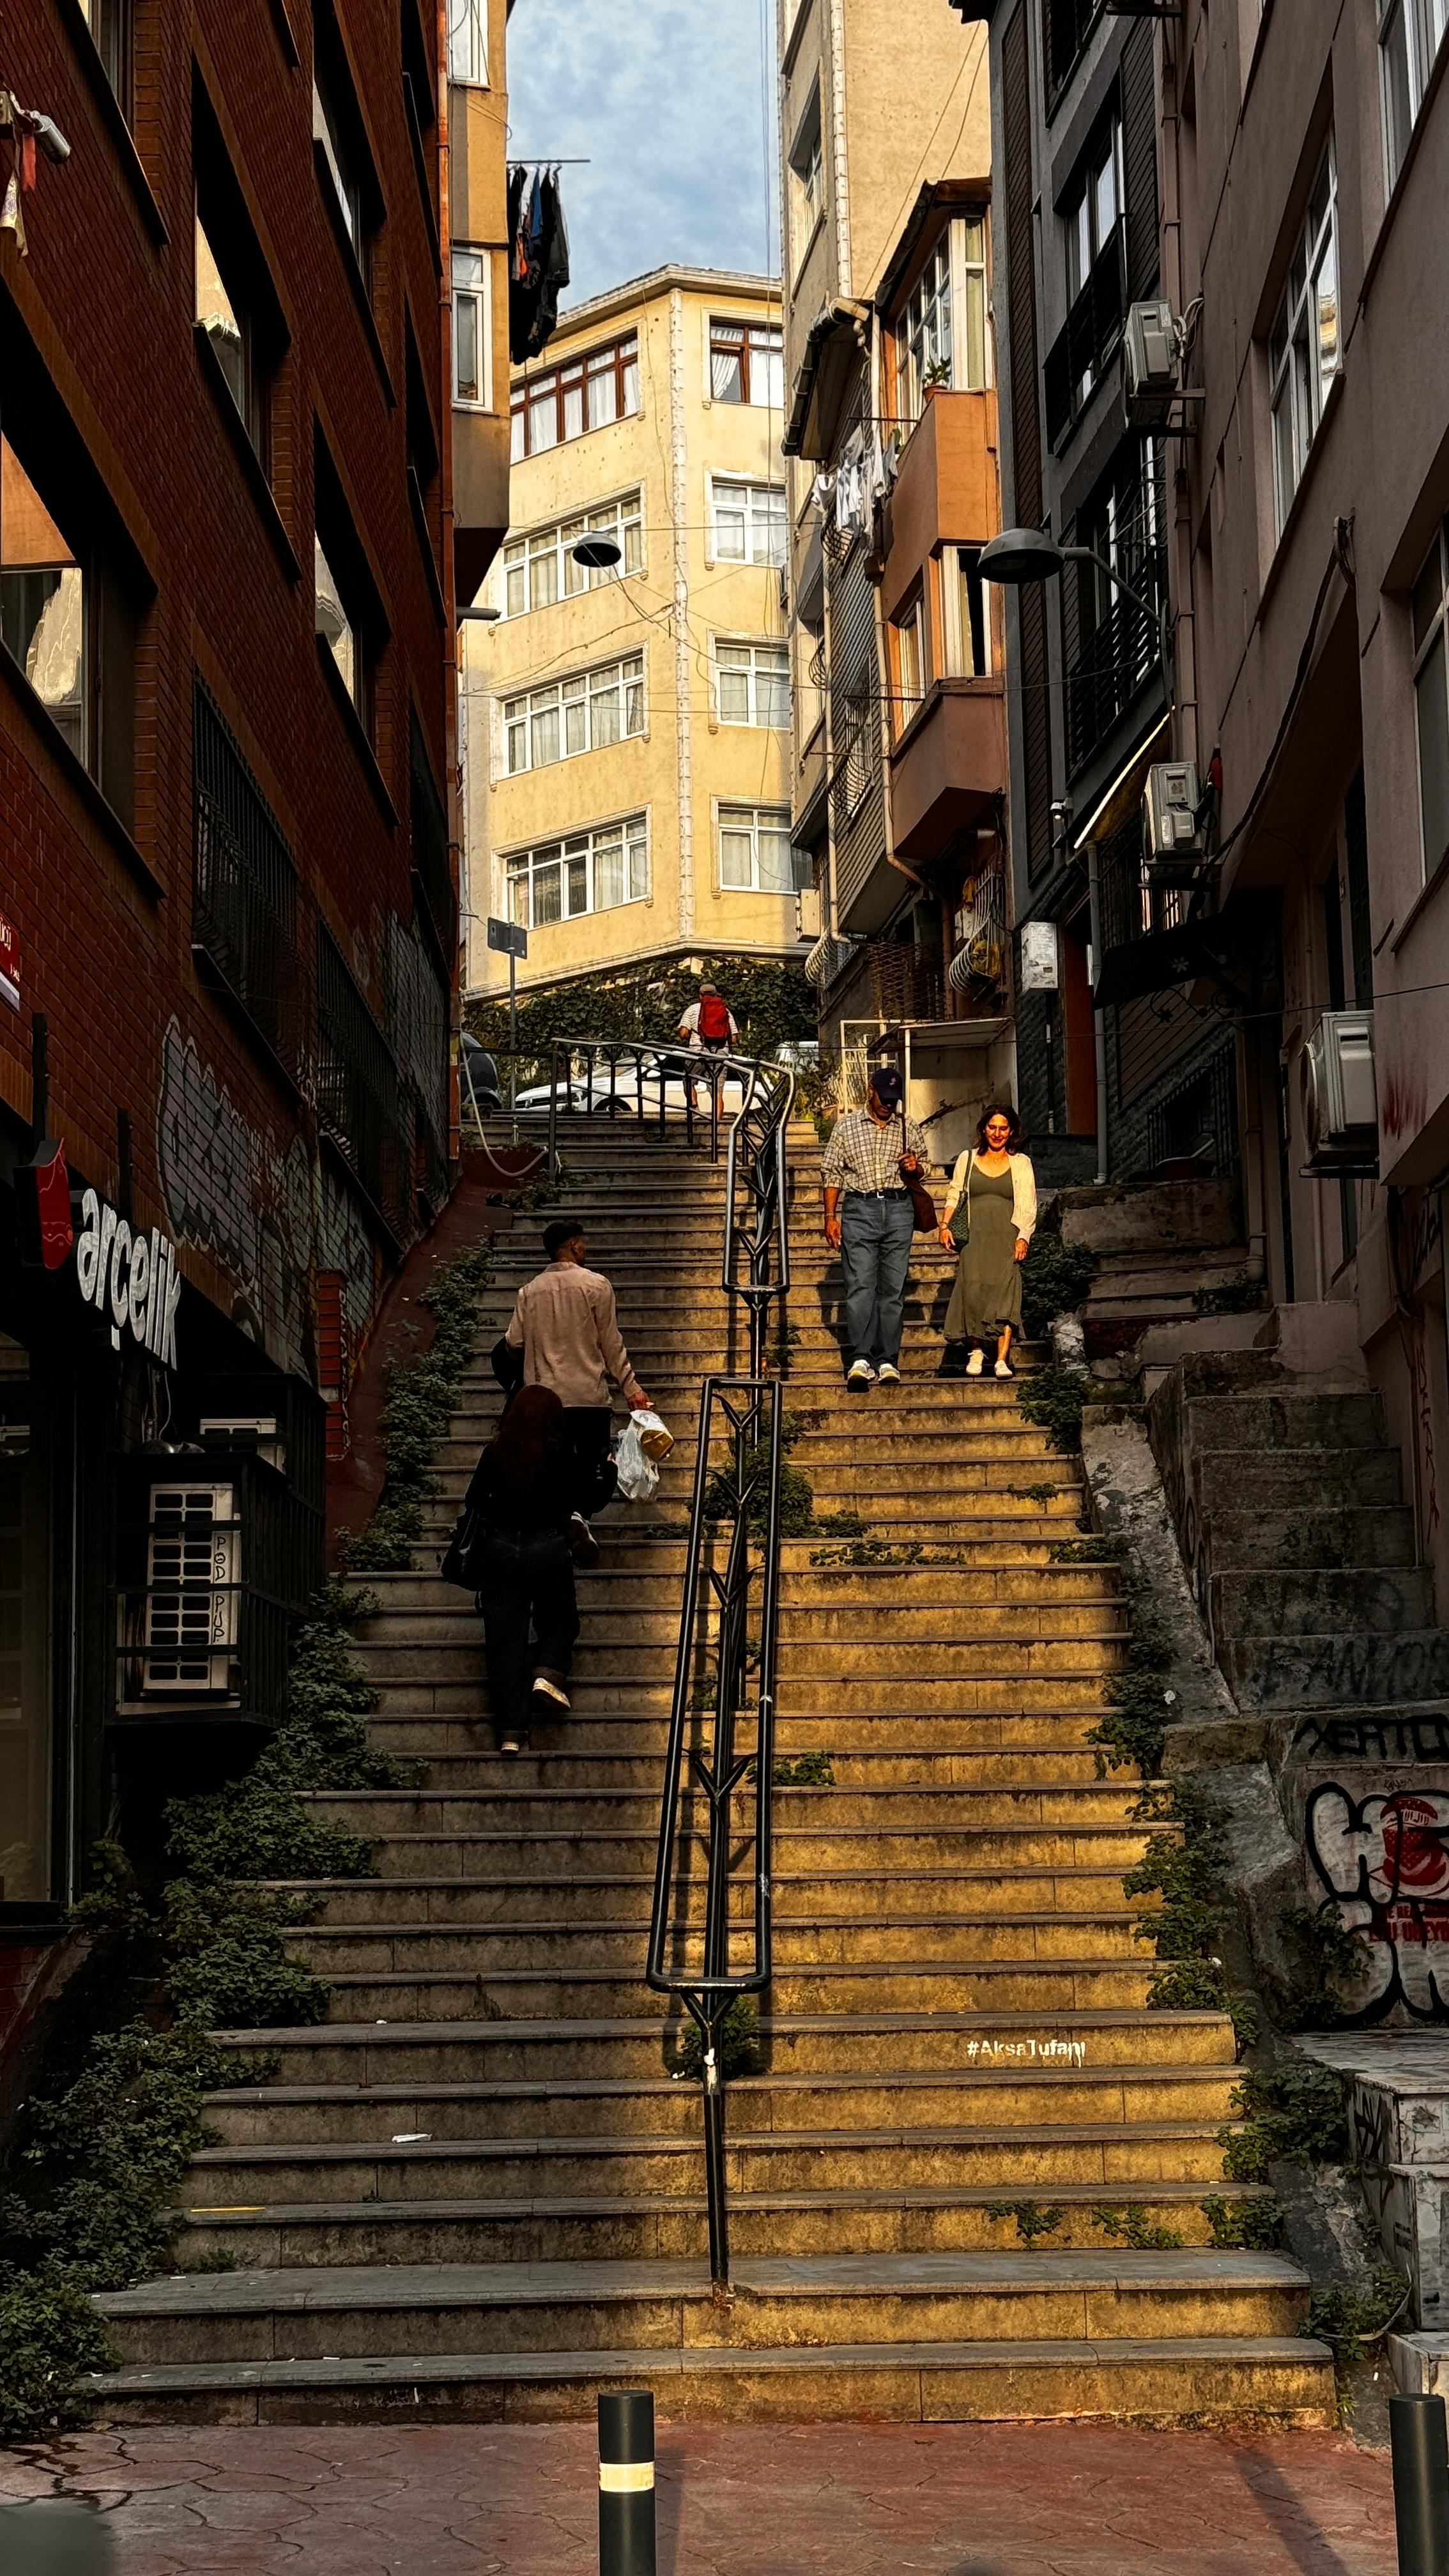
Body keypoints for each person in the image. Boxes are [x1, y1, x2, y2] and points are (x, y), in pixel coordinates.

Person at [466, 1386, 610, 1754]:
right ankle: (547, 1670)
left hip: (498, 1549)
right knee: (561, 1620)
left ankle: (512, 1733)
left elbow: (474, 1502)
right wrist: (608, 1471)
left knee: (504, 1641)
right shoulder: (561, 1453)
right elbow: (587, 1500)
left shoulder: (494, 1453)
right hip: (546, 1547)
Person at [503, 1215, 650, 1564]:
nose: (585, 1248)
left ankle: (556, 1530)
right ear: (572, 1247)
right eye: (582, 1243)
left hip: (542, 1402)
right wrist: (632, 1389)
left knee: (550, 1466)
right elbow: (611, 1344)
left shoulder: (529, 1292)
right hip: (587, 1398)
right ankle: (578, 1518)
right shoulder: (596, 1286)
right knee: (590, 1465)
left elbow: (513, 1341)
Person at [820, 1064, 929, 1389]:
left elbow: (923, 1170)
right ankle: (860, 1357)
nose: (888, 1105)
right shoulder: (846, 1127)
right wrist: (830, 1216)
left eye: (894, 1100)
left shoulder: (908, 1126)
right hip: (860, 1207)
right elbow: (832, 1172)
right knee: (860, 1287)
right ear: (871, 1091)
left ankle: (888, 1361)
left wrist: (915, 1166)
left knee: (892, 1291)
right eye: (884, 1098)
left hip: (899, 1209)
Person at [937, 1102, 1038, 1379]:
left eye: (1003, 1128)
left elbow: (1029, 1204)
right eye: (992, 1127)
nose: (997, 1133)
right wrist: (944, 1225)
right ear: (983, 1129)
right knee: (973, 1291)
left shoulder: (1021, 1163)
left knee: (1006, 1294)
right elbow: (955, 1194)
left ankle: (1001, 1359)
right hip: (974, 1237)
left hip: (1006, 1237)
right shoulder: (967, 1159)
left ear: (1011, 1131)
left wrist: (1023, 1238)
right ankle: (976, 1350)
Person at [677, 980, 739, 1110]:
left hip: (698, 1052)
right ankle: (717, 1126)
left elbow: (683, 1033)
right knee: (717, 1091)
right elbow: (734, 1039)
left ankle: (694, 1107)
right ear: (715, 995)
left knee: (689, 1080)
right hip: (721, 1053)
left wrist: (691, 1036)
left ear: (700, 995)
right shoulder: (725, 1011)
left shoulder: (692, 1009)